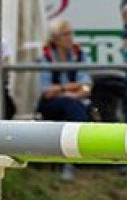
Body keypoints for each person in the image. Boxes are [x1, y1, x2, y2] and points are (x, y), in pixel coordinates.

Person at [37, 18, 92, 182]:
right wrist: (70, 88)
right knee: (74, 107)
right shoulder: (46, 56)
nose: (70, 38)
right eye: (65, 35)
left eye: (70, 34)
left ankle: (70, 160)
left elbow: (87, 86)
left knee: (75, 106)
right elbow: (46, 91)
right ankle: (74, 158)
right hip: (52, 104)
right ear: (55, 38)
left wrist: (71, 92)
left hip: (75, 100)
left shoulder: (79, 54)